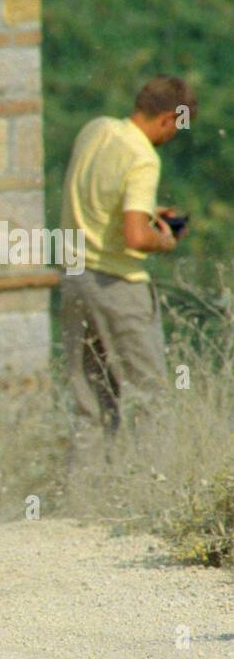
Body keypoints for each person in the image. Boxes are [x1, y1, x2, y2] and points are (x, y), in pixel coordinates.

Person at [58, 75, 197, 466]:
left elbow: (98, 201)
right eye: (177, 128)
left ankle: (80, 507)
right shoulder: (142, 157)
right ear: (170, 118)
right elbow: (136, 236)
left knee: (90, 404)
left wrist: (149, 214)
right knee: (150, 398)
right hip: (118, 287)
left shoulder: (95, 130)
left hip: (75, 279)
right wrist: (165, 240)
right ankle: (158, 503)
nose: (172, 137)